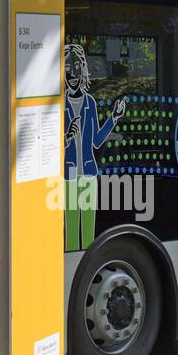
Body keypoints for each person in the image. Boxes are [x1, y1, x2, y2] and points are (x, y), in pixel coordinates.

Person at [63, 44, 126, 251]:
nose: (71, 74)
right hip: (69, 174)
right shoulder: (59, 104)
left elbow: (97, 141)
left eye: (74, 68)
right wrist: (66, 136)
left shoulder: (90, 102)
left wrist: (114, 117)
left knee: (88, 234)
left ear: (82, 71)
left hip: (89, 173)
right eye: (66, 69)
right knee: (71, 231)